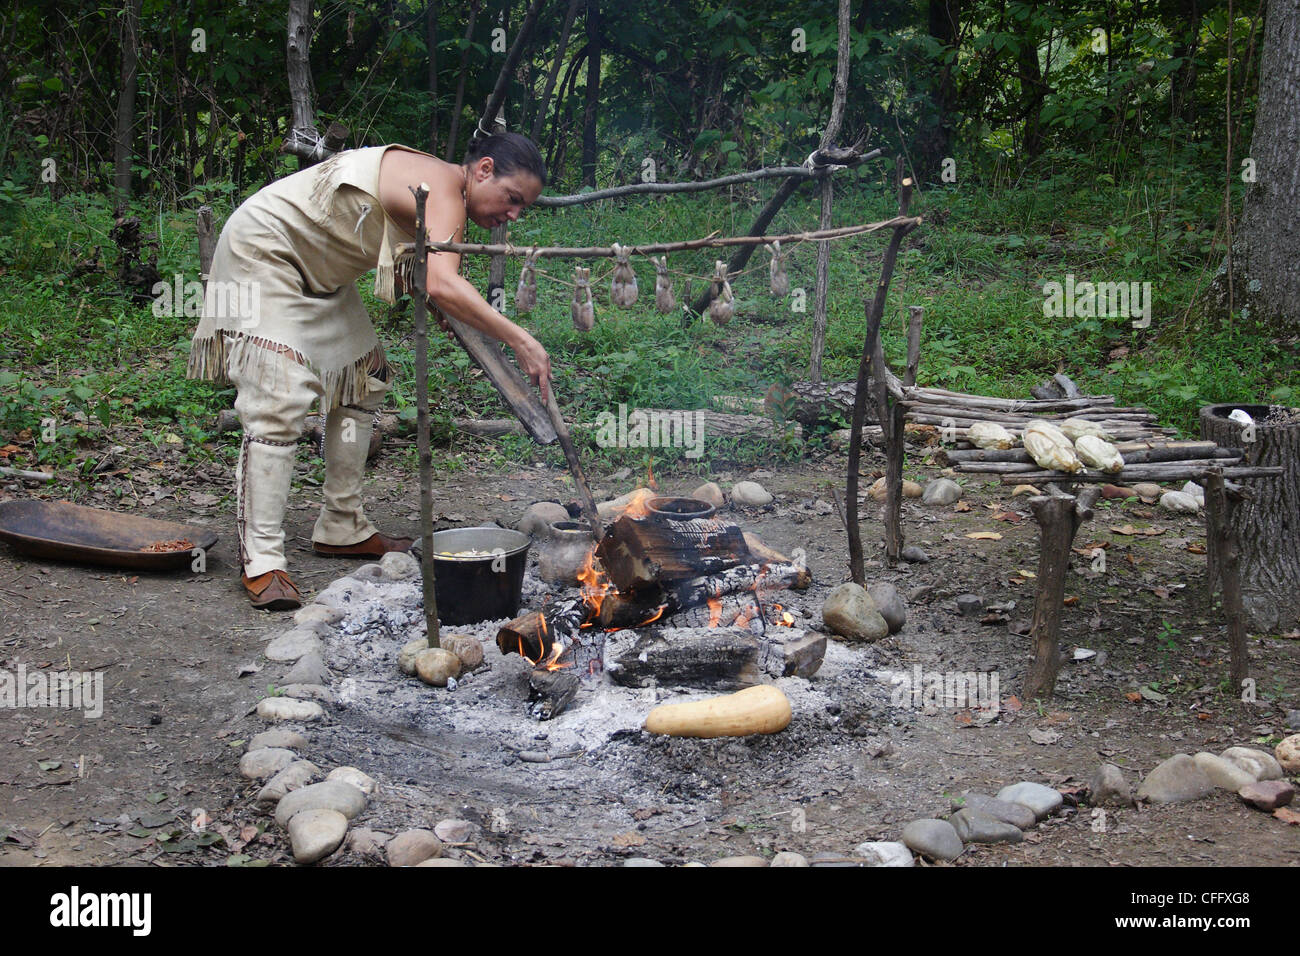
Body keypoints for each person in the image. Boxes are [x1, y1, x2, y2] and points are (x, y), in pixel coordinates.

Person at [187, 132, 550, 611]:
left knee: (364, 379)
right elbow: (444, 281)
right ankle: (262, 560)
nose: (514, 215)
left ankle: (341, 525)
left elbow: (434, 278)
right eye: (512, 199)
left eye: (523, 208)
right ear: (483, 170)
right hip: (266, 251)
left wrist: (441, 295)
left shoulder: (443, 197)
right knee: (279, 398)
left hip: (320, 273)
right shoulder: (443, 189)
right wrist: (520, 338)